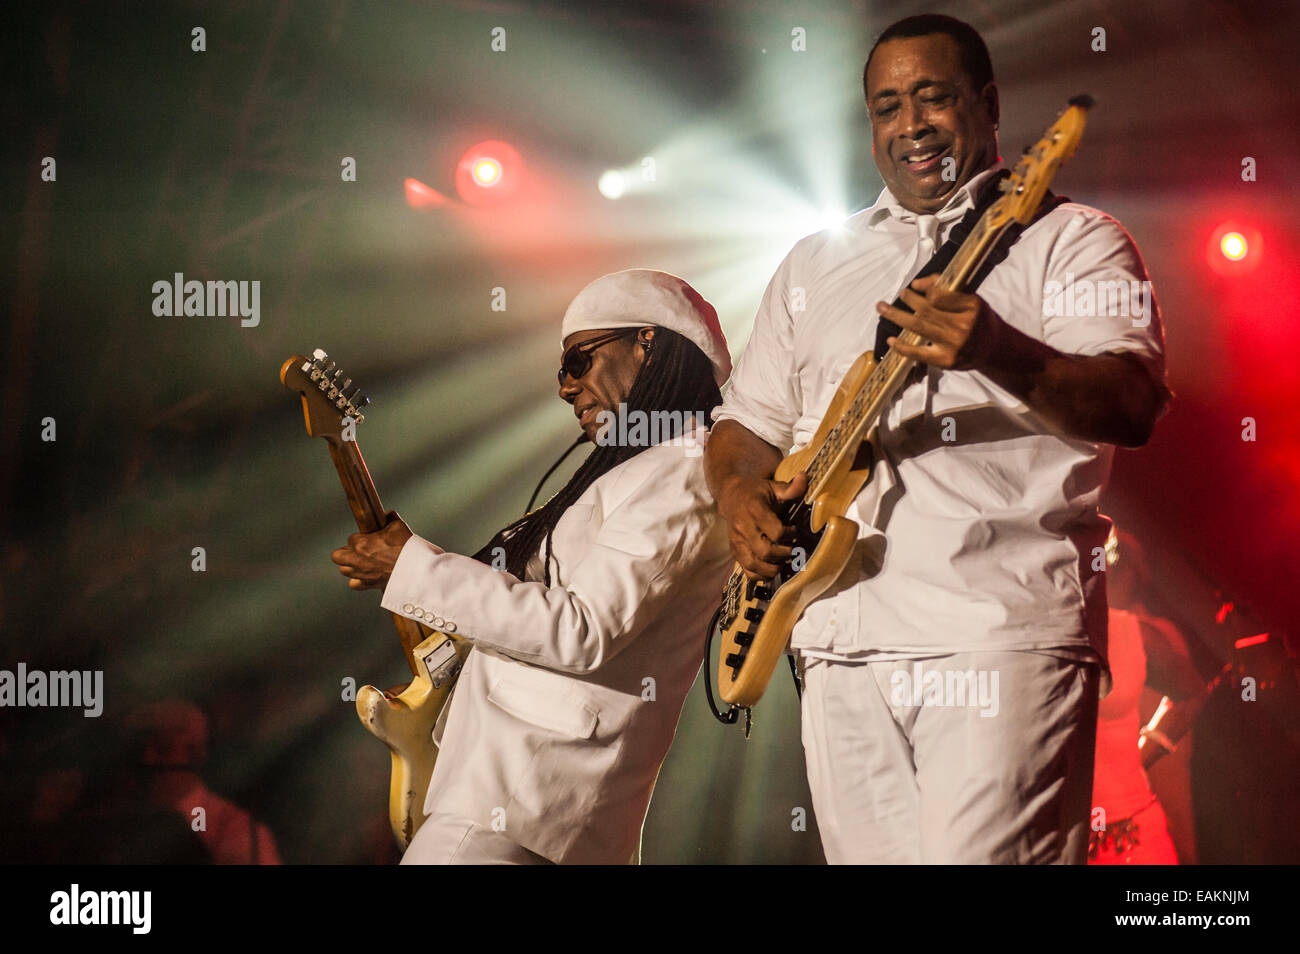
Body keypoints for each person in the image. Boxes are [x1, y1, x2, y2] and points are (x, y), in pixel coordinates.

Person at [704, 14, 1170, 863]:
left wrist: (997, 349)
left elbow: (1133, 402)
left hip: (997, 631)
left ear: (988, 105)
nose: (910, 124)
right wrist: (740, 495)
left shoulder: (1073, 238)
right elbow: (746, 425)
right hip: (835, 639)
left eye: (933, 97)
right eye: (887, 106)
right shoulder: (815, 261)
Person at [333, 269, 733, 864]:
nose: (566, 388)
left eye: (579, 361)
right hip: (528, 812)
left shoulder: (684, 468)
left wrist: (416, 568)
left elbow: (581, 631)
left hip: (519, 807)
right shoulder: (644, 470)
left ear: (648, 342)